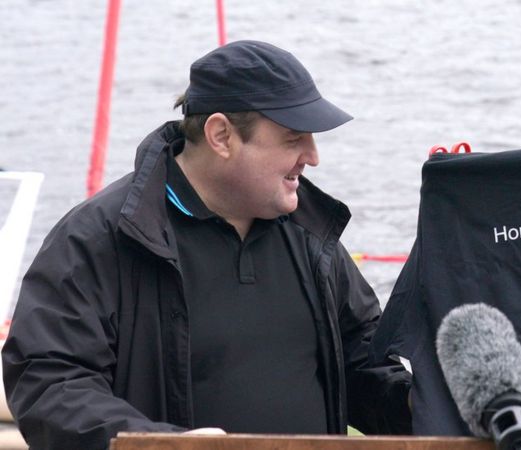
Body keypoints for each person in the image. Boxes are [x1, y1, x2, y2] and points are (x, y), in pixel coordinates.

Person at [1, 40, 411, 449]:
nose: (313, 156)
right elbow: (50, 383)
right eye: (293, 138)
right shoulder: (96, 238)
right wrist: (161, 445)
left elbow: (365, 363)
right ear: (221, 136)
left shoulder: (313, 236)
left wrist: (428, 404)